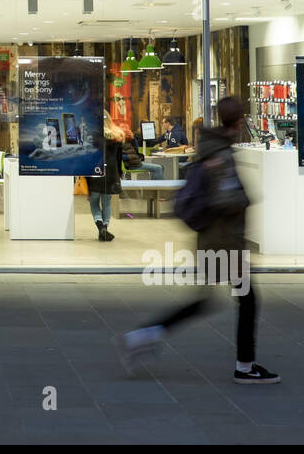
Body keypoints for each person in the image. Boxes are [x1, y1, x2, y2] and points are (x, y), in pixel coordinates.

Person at [120, 96, 279, 385]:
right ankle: (245, 367)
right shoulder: (222, 156)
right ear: (238, 120)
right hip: (223, 241)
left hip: (214, 239)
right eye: (242, 117)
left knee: (207, 301)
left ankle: (145, 335)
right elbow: (226, 198)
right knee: (248, 300)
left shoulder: (214, 148)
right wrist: (246, 198)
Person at [90, 112, 126, 241]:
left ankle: (100, 228)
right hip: (111, 173)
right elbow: (119, 159)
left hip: (95, 172)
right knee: (107, 202)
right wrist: (120, 175)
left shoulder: (91, 135)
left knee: (94, 201)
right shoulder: (118, 136)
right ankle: (105, 227)